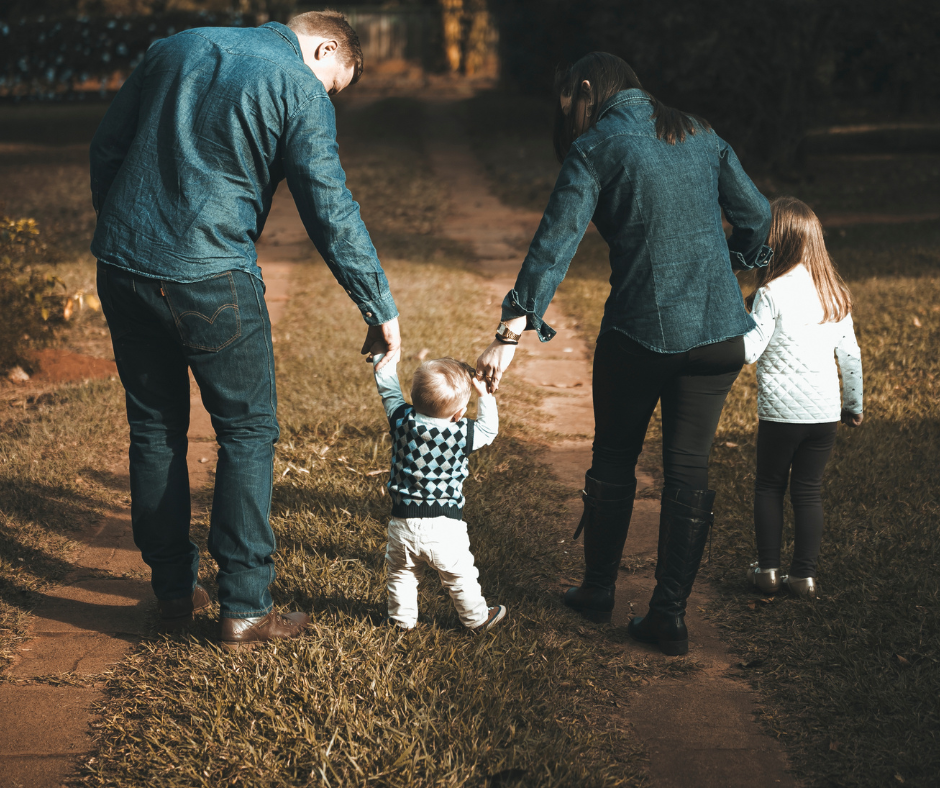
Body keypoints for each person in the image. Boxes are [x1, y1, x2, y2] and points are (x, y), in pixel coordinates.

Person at [90, 11, 401, 649]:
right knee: (247, 432)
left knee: (154, 427)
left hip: (122, 266)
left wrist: (127, 234)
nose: (328, 97)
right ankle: (247, 606)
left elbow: (107, 147)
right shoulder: (298, 86)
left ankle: (174, 590)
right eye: (334, 84)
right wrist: (377, 305)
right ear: (323, 47)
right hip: (212, 276)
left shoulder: (173, 46)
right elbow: (328, 205)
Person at [475, 52, 772, 656]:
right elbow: (759, 217)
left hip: (640, 335)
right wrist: (733, 264)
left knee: (613, 458)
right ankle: (669, 617)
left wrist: (509, 336)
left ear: (587, 90)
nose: (574, 122)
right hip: (719, 338)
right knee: (689, 468)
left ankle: (597, 591)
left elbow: (552, 247)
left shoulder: (597, 146)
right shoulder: (700, 131)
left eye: (572, 108)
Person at [743, 197, 863, 600]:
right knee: (808, 491)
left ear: (774, 241)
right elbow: (850, 356)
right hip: (824, 414)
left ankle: (768, 572)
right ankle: (804, 577)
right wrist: (853, 405)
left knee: (770, 486)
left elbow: (749, 351)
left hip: (779, 416)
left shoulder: (771, 293)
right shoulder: (834, 294)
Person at [372, 354, 506, 632]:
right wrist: (484, 396)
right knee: (460, 576)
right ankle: (477, 619)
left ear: (414, 398)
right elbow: (489, 430)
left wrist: (383, 357)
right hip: (445, 527)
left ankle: (400, 621)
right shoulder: (462, 433)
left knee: (401, 574)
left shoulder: (401, 421)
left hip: (402, 524)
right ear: (458, 414)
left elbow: (388, 391)